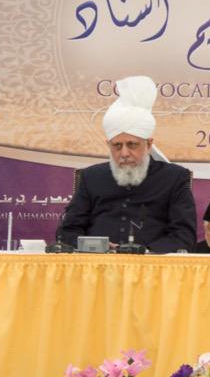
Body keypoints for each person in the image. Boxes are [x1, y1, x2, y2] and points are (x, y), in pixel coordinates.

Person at [59, 76, 196, 253]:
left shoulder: (174, 178)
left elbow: (184, 235)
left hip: (153, 266)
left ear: (148, 144)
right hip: (97, 265)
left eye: (132, 145)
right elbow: (68, 231)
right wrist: (94, 247)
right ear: (108, 145)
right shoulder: (91, 177)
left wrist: (145, 252)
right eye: (117, 146)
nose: (124, 153)